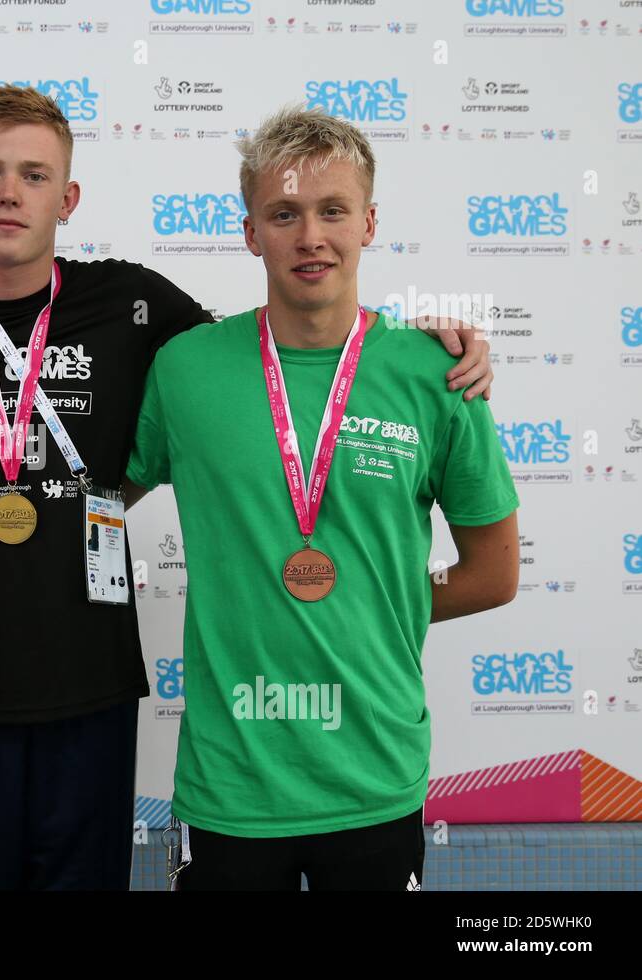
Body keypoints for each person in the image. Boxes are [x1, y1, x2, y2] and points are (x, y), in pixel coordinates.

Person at [0, 85, 494, 890]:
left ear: (69, 196)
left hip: (90, 683)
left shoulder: (136, 306)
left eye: (33, 174)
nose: (8, 192)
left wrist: (436, 338)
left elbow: (283, 352)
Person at [124, 106, 520, 891]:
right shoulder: (185, 369)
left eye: (332, 210)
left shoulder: (436, 374)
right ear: (250, 232)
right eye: (285, 213)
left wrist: (373, 603)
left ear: (368, 222)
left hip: (374, 778)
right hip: (231, 785)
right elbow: (99, 504)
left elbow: (494, 573)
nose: (311, 236)